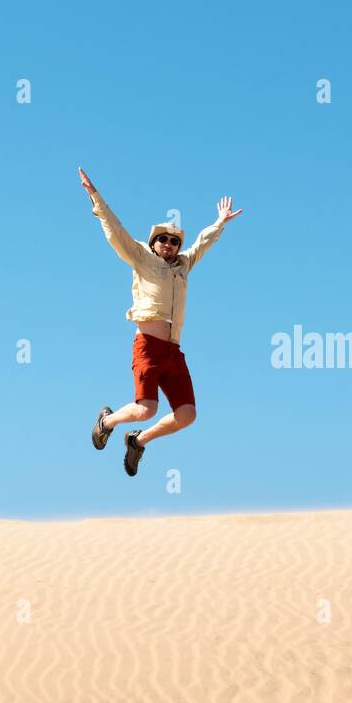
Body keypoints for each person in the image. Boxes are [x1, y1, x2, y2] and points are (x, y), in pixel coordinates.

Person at [78, 167, 242, 476]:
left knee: (187, 415)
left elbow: (202, 244)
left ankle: (138, 442)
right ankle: (107, 422)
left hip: (173, 352)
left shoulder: (183, 266)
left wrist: (219, 223)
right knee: (145, 409)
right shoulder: (141, 258)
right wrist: (95, 196)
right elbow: (116, 230)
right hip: (148, 347)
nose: (169, 244)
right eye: (163, 239)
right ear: (154, 243)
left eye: (174, 241)